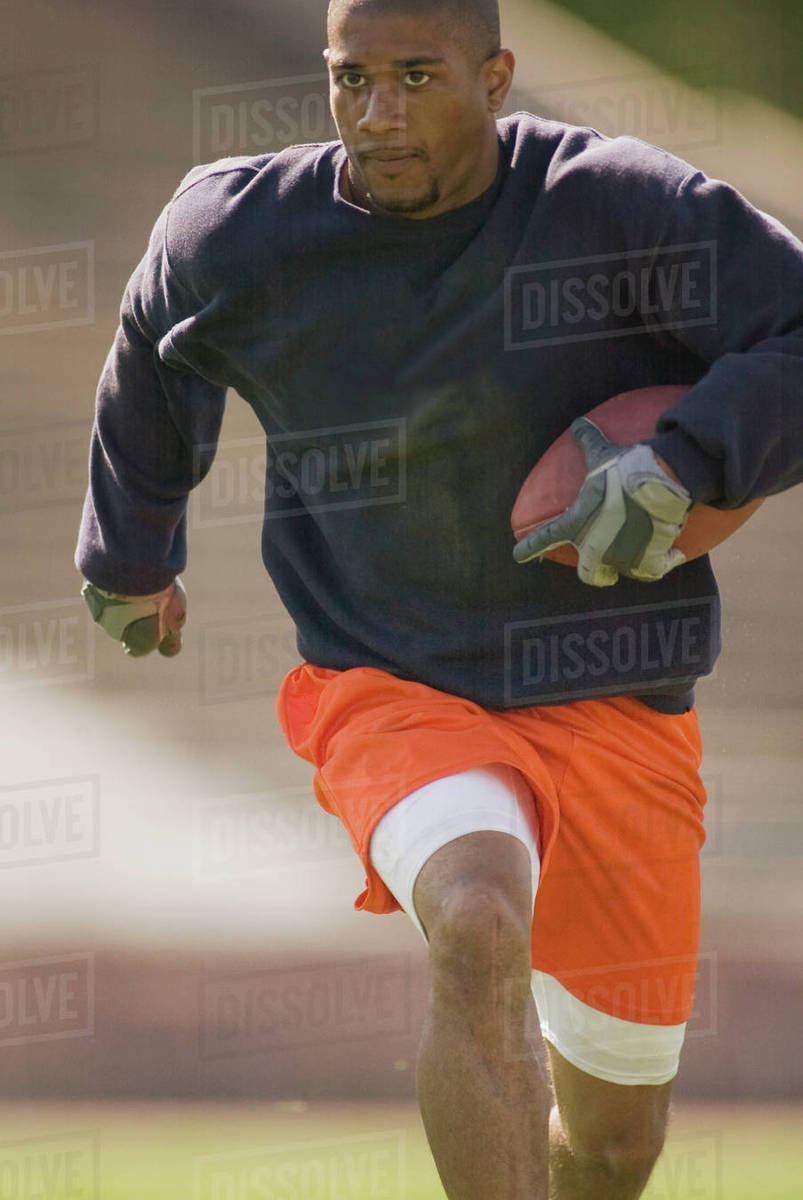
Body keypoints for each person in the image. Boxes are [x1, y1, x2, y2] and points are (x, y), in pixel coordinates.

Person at [75, 0, 803, 1195]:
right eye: (350, 79)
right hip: (388, 684)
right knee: (475, 921)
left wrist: (685, 459)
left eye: (416, 77)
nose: (378, 114)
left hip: (615, 699)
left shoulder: (616, 203)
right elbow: (155, 338)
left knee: (616, 1146)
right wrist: (131, 554)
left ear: (498, 77)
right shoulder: (242, 230)